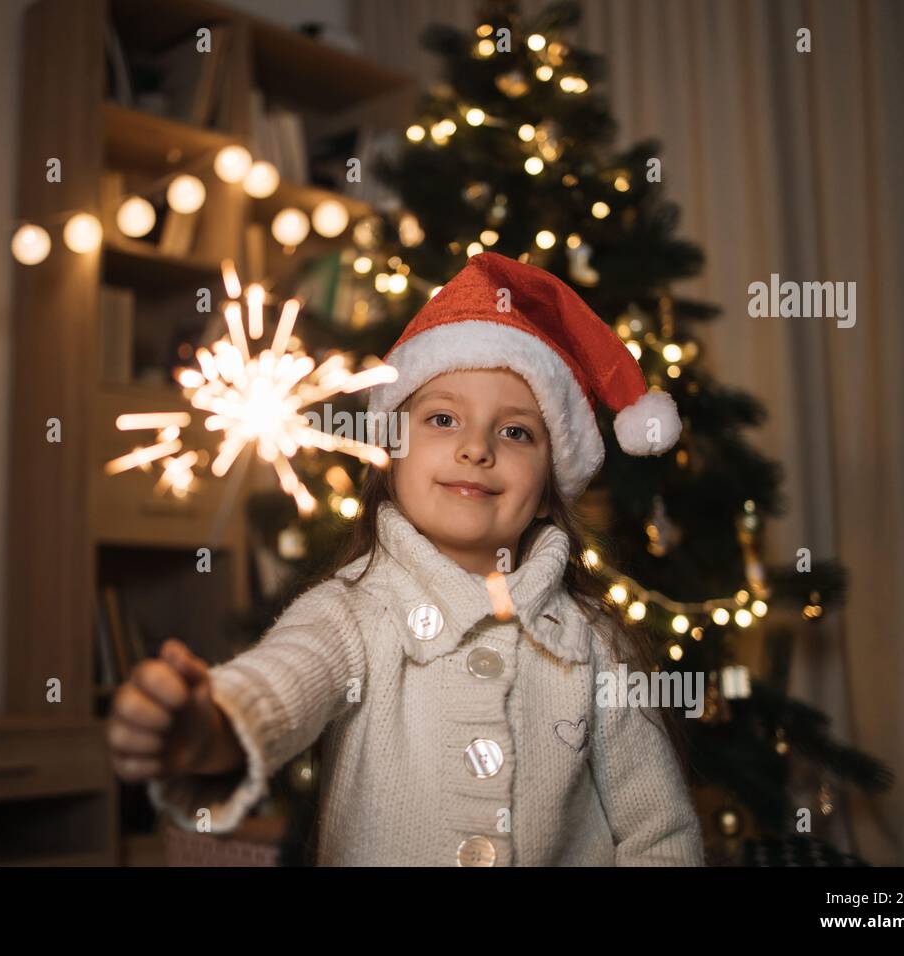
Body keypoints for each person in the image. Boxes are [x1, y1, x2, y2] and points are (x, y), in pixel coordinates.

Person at [107, 251, 705, 866]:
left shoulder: (594, 645)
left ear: (552, 488)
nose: (476, 447)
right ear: (390, 457)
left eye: (516, 431)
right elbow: (281, 684)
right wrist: (213, 727)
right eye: (443, 419)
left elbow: (660, 836)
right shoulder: (351, 615)